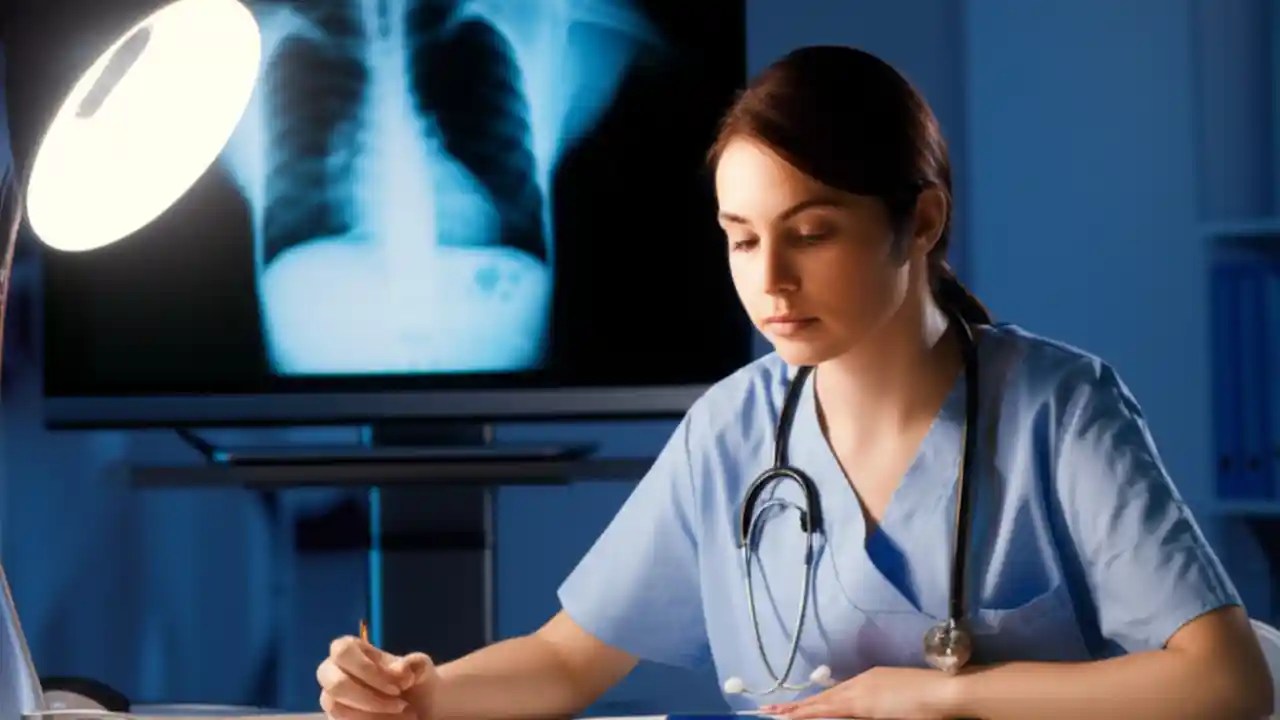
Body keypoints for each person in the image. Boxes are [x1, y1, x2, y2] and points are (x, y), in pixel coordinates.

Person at [315, 45, 1273, 720]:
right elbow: (568, 659)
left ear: (923, 221)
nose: (768, 280)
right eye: (741, 239)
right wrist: (419, 692)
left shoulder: (1059, 413)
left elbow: (1225, 684)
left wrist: (945, 699)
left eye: (811, 233)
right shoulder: (731, 430)